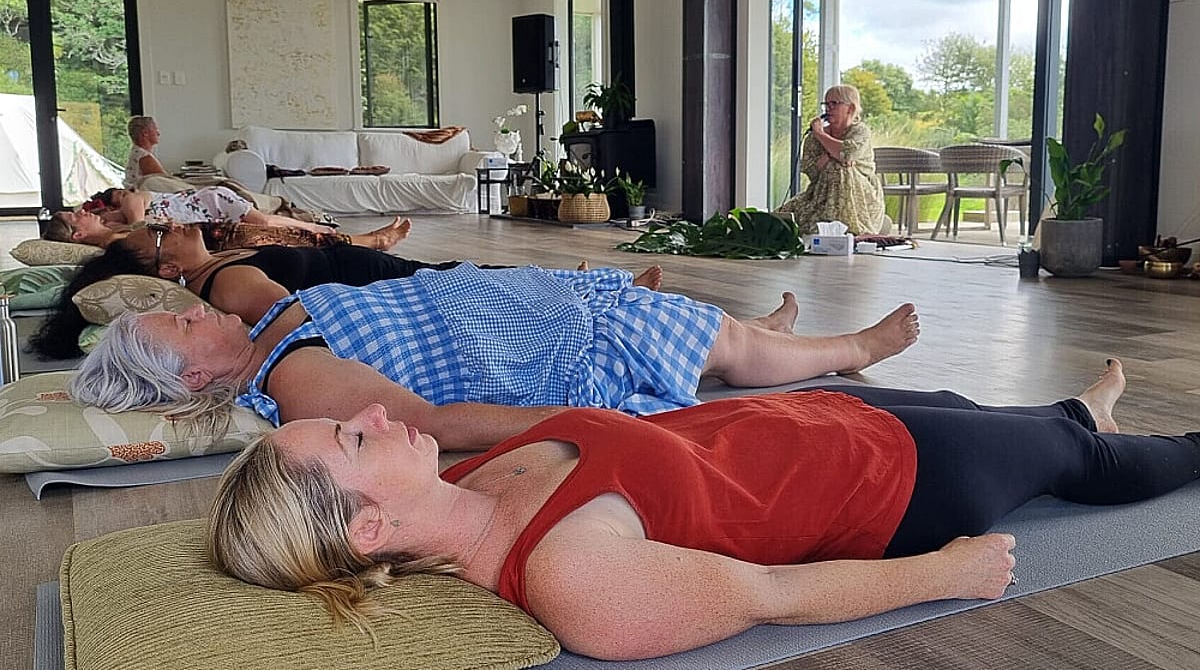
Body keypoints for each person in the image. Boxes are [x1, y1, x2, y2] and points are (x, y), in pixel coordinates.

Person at [205, 359, 1200, 660]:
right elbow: (774, 592)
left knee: (998, 409)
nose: (372, 414)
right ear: (368, 528)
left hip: (817, 414)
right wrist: (948, 573)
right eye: (350, 439)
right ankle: (1118, 433)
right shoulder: (568, 573)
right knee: (1076, 458)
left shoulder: (469, 480)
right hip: (897, 479)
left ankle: (1077, 405)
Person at [70, 263, 919, 450]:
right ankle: (849, 348)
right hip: (552, 350)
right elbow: (438, 424)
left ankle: (774, 336)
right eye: (177, 329)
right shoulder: (297, 376)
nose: (188, 316)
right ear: (190, 377)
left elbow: (245, 272)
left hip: (532, 302)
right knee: (725, 348)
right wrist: (590, 420)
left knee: (713, 333)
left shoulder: (259, 323)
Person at [31, 222, 560, 360]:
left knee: (476, 270)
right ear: (168, 269)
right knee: (483, 284)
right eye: (162, 231)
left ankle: (582, 283)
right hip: (384, 288)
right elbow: (296, 317)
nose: (175, 222)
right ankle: (595, 289)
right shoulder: (228, 283)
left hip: (375, 268)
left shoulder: (219, 261)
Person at [43, 207, 412, 253]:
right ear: (77, 236)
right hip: (222, 242)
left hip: (218, 233)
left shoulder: (115, 230)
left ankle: (370, 240)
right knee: (302, 239)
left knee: (301, 237)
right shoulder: (115, 241)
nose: (82, 211)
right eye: (76, 217)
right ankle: (373, 241)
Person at [776, 84, 885, 235]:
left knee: (839, 169)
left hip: (861, 195)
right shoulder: (813, 137)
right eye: (826, 104)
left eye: (834, 104)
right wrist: (832, 154)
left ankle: (845, 229)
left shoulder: (860, 131)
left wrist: (822, 137)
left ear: (851, 108)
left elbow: (848, 154)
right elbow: (811, 171)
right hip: (820, 194)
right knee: (779, 220)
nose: (828, 108)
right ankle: (825, 226)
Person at [97, 186, 333, 236]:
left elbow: (138, 226)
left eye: (102, 217)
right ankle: (309, 228)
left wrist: (119, 227)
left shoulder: (131, 200)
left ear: (110, 207)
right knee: (260, 229)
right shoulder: (124, 218)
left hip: (211, 201)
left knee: (264, 223)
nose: (103, 221)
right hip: (207, 220)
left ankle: (311, 226)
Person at [123, 115, 167, 188]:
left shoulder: (137, 153)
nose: (158, 133)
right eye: (155, 129)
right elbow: (167, 184)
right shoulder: (144, 158)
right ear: (145, 133)